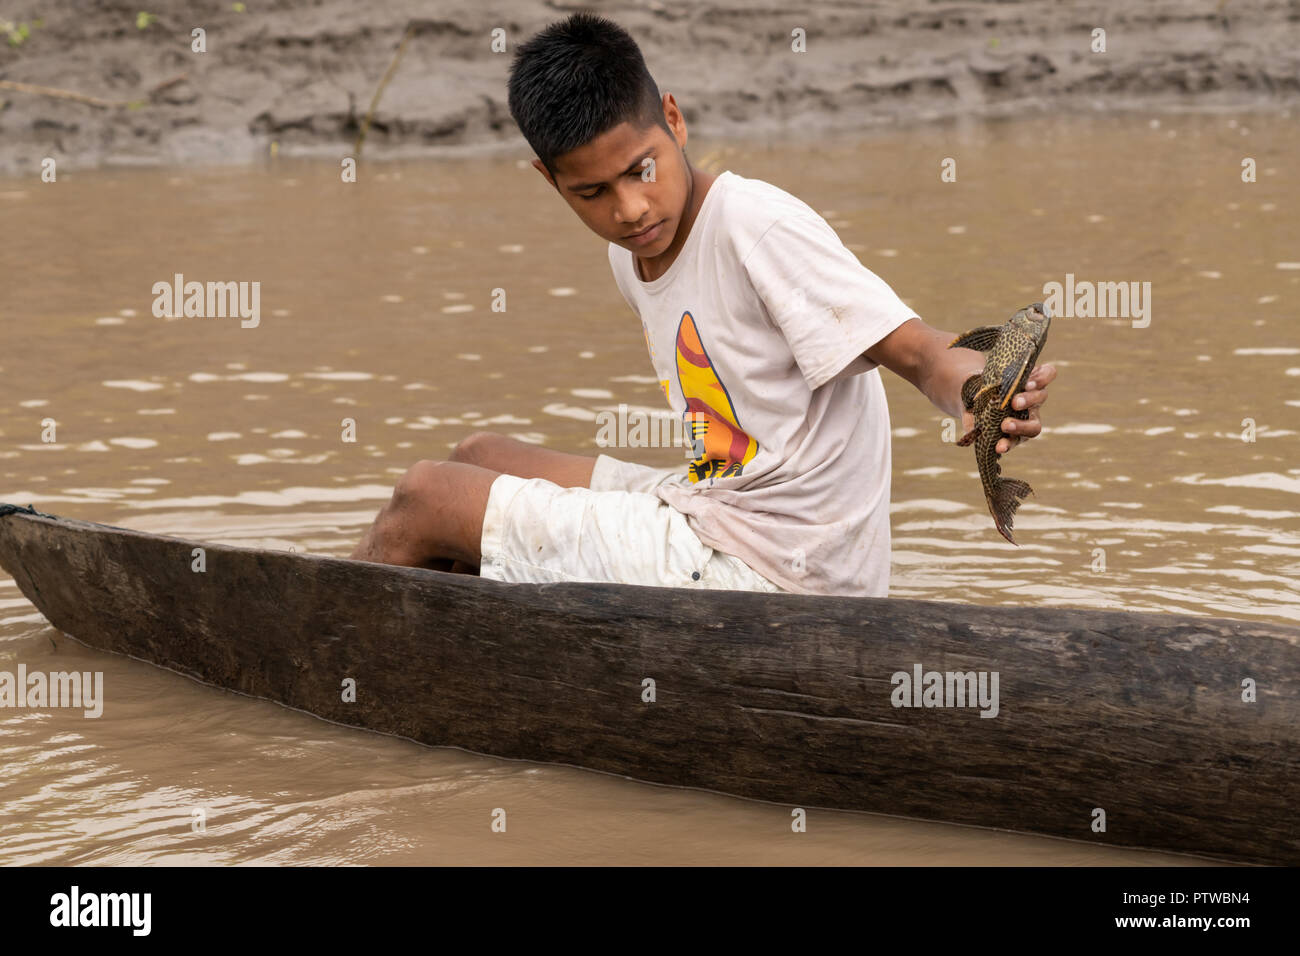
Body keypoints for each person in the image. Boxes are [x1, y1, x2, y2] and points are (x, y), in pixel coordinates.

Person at [350, 12, 1056, 597]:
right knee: (480, 455)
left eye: (640, 170)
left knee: (425, 500)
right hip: (716, 508)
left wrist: (974, 390)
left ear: (674, 120)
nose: (629, 209)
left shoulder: (755, 226)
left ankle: (333, 656)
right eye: (592, 193)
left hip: (780, 567)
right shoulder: (630, 257)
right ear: (549, 180)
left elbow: (918, 350)